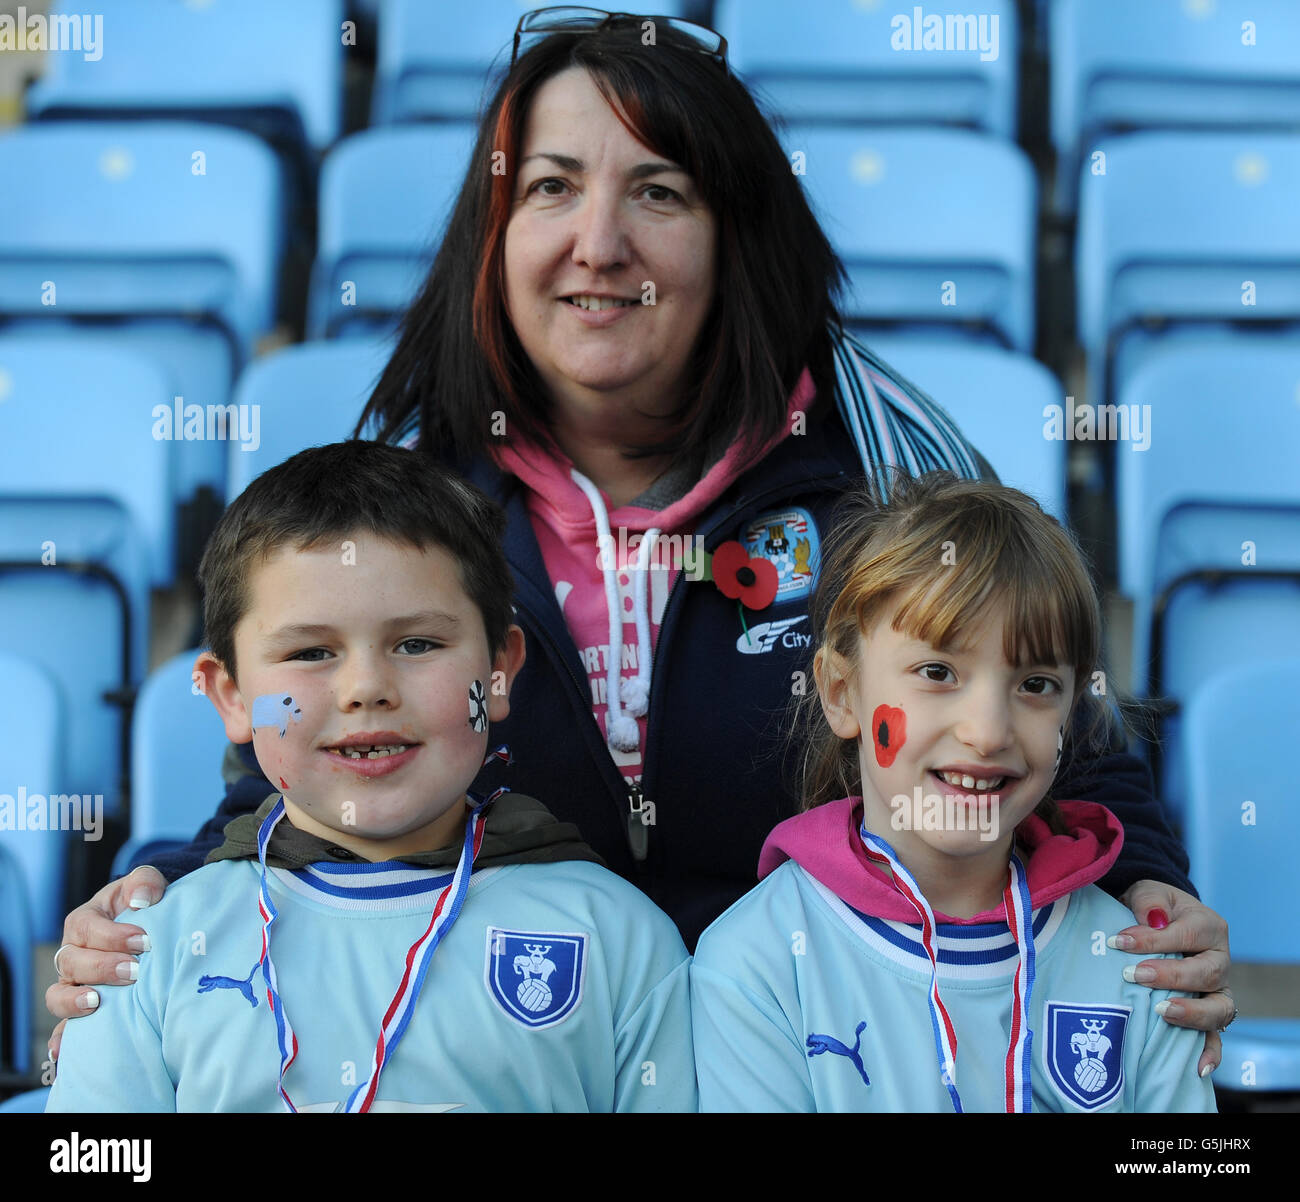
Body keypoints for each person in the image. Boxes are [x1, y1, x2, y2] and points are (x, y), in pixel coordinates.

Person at [46, 10, 1233, 1071]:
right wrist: (158, 889)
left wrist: (1153, 893)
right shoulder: (408, 502)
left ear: (734, 238)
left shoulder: (885, 469)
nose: (598, 241)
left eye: (658, 191)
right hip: (510, 1060)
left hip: (816, 1055)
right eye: (550, 189)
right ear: (492, 237)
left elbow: (1059, 734)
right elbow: (294, 768)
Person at [46, 441, 695, 1112]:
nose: (366, 688)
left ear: (500, 669)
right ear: (231, 697)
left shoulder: (618, 936)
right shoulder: (145, 948)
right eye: (310, 651)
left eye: (417, 644)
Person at [691, 473, 1216, 1112]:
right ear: (839, 693)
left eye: (1036, 684)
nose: (988, 732)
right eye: (938, 672)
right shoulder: (756, 961)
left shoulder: (1142, 964)